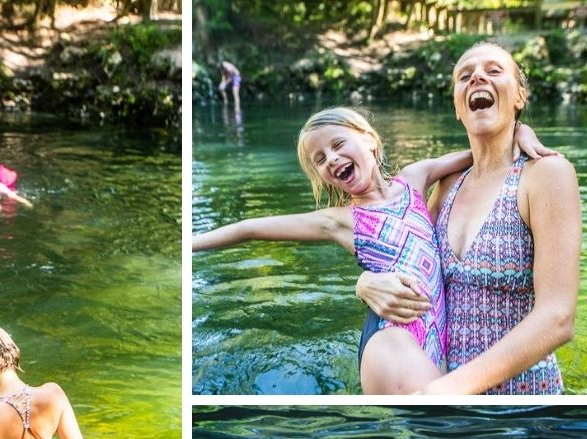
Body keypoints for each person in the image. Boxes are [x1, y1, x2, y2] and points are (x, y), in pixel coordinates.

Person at [193, 107, 550, 393]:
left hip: (437, 337)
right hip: (395, 337)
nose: (331, 159)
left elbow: (482, 154)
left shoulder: (415, 178)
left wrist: (519, 132)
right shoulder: (341, 220)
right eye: (320, 159)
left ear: (370, 142)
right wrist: (190, 245)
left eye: (337, 145)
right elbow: (251, 228)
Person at [356, 42, 580, 394]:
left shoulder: (545, 174)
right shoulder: (447, 187)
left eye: (494, 71)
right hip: (439, 392)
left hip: (518, 403)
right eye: (465, 75)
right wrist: (366, 284)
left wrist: (447, 391)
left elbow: (558, 319)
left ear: (520, 96)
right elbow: (409, 263)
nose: (477, 76)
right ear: (459, 107)